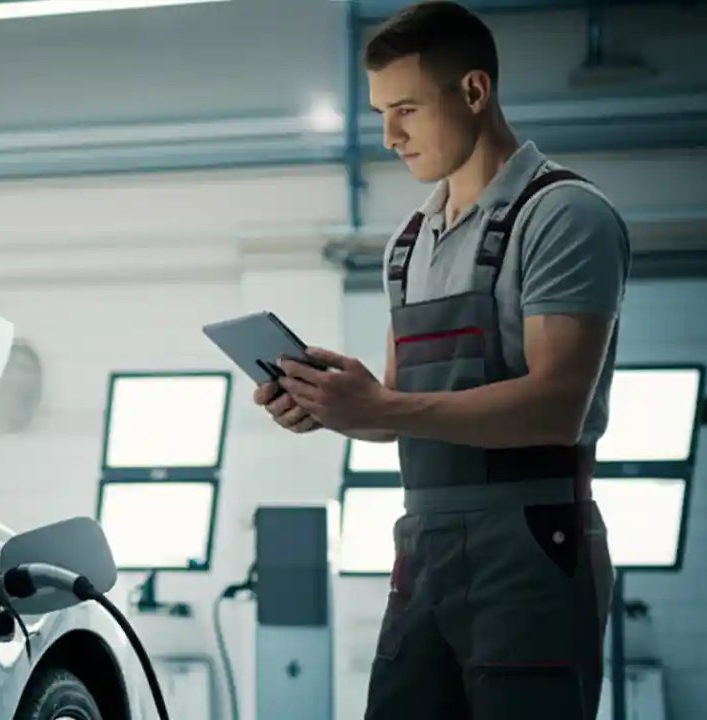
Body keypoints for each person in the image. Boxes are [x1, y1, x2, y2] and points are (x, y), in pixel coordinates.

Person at [253, 2, 631, 718]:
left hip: (532, 548)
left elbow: (557, 406)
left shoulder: (563, 216)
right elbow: (399, 410)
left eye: (405, 110)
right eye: (380, 113)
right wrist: (330, 406)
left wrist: (384, 407)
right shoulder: (410, 239)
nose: (389, 136)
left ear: (474, 92)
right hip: (421, 548)